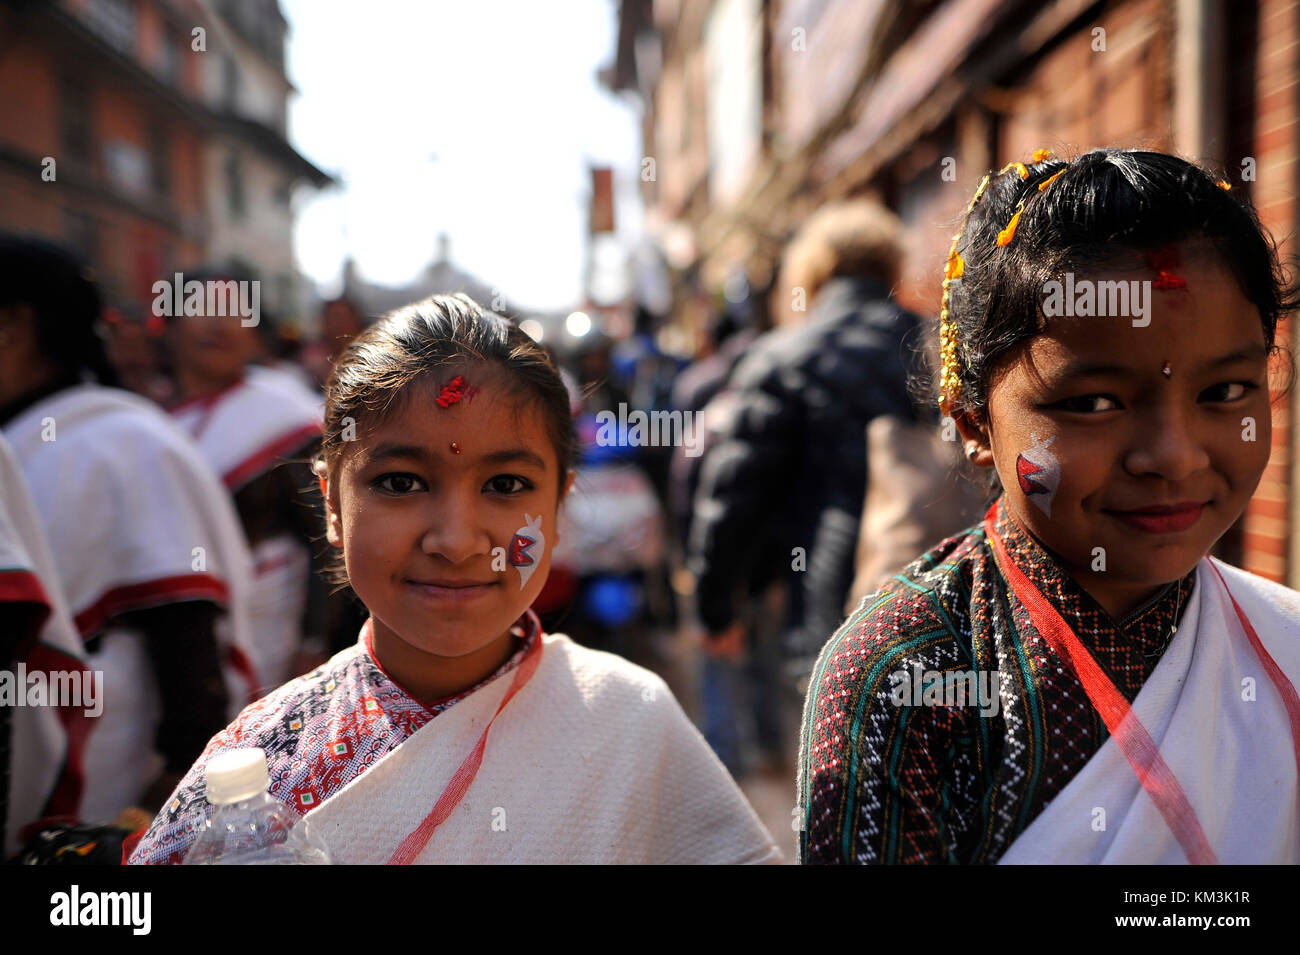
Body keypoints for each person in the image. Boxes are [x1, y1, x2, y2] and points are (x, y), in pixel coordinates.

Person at [128, 293, 781, 865]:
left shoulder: (635, 720)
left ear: (557, 510)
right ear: (331, 503)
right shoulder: (258, 764)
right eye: (400, 483)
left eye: (505, 485)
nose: (457, 540)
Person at [798, 148, 1300, 864]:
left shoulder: (1285, 650)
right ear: (973, 424)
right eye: (1092, 403)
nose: (1174, 454)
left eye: (1223, 392)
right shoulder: (903, 677)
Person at [0, 235, 258, 824]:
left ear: (14, 324)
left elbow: (186, 635)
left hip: (110, 796)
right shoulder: (33, 435)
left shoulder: (120, 442)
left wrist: (168, 809)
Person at [687, 198, 926, 765]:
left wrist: (716, 608)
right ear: (891, 267)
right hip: (951, 596)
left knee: (841, 766)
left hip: (831, 600)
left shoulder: (781, 357)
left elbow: (733, 495)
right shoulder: (939, 347)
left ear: (812, 272)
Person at [166, 268, 332, 686]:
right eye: (201, 307)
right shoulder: (144, 418)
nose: (217, 323)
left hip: (267, 631)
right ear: (171, 326)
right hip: (169, 629)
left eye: (234, 311)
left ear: (257, 337)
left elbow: (328, 539)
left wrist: (316, 640)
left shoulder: (286, 420)